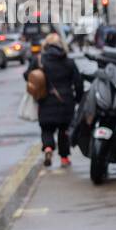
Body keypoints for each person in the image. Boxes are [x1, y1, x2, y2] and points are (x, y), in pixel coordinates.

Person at [24, 32, 82, 168]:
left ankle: (48, 148)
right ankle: (64, 158)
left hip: (45, 100)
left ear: (46, 44)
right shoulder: (69, 62)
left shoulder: (38, 60)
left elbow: (27, 76)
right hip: (66, 101)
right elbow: (78, 82)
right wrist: (78, 99)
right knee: (63, 130)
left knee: (47, 128)